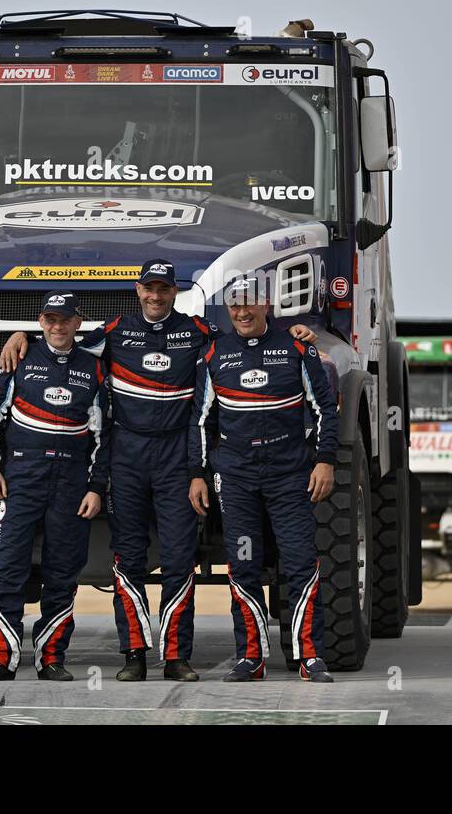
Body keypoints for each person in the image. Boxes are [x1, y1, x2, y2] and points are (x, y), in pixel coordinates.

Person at [0, 260, 315, 682]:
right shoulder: (113, 332)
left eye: (164, 289)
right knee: (128, 559)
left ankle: (175, 657)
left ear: (174, 292)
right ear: (138, 289)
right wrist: (22, 335)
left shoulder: (198, 332)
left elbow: (246, 340)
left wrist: (296, 335)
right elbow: (63, 342)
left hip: (177, 457)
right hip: (127, 456)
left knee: (179, 559)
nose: (156, 295)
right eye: (149, 288)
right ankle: (133, 654)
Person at [188, 277, 339, 683]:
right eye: (235, 305)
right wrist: (198, 475)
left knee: (301, 562)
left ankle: (310, 656)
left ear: (267, 304)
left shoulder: (296, 346)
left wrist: (325, 461)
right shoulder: (214, 354)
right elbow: (201, 421)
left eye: (250, 304)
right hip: (235, 480)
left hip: (289, 476)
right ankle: (250, 657)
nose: (242, 312)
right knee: (243, 564)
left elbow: (325, 407)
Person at [0, 290, 109, 682]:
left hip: (71, 483)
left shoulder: (94, 369)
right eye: (50, 319)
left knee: (63, 573)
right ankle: (3, 658)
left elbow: (104, 436)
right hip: (20, 481)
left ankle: (51, 658)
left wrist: (95, 488)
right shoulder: (19, 359)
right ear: (40, 321)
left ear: (77, 323)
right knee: (7, 569)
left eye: (65, 319)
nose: (58, 325)